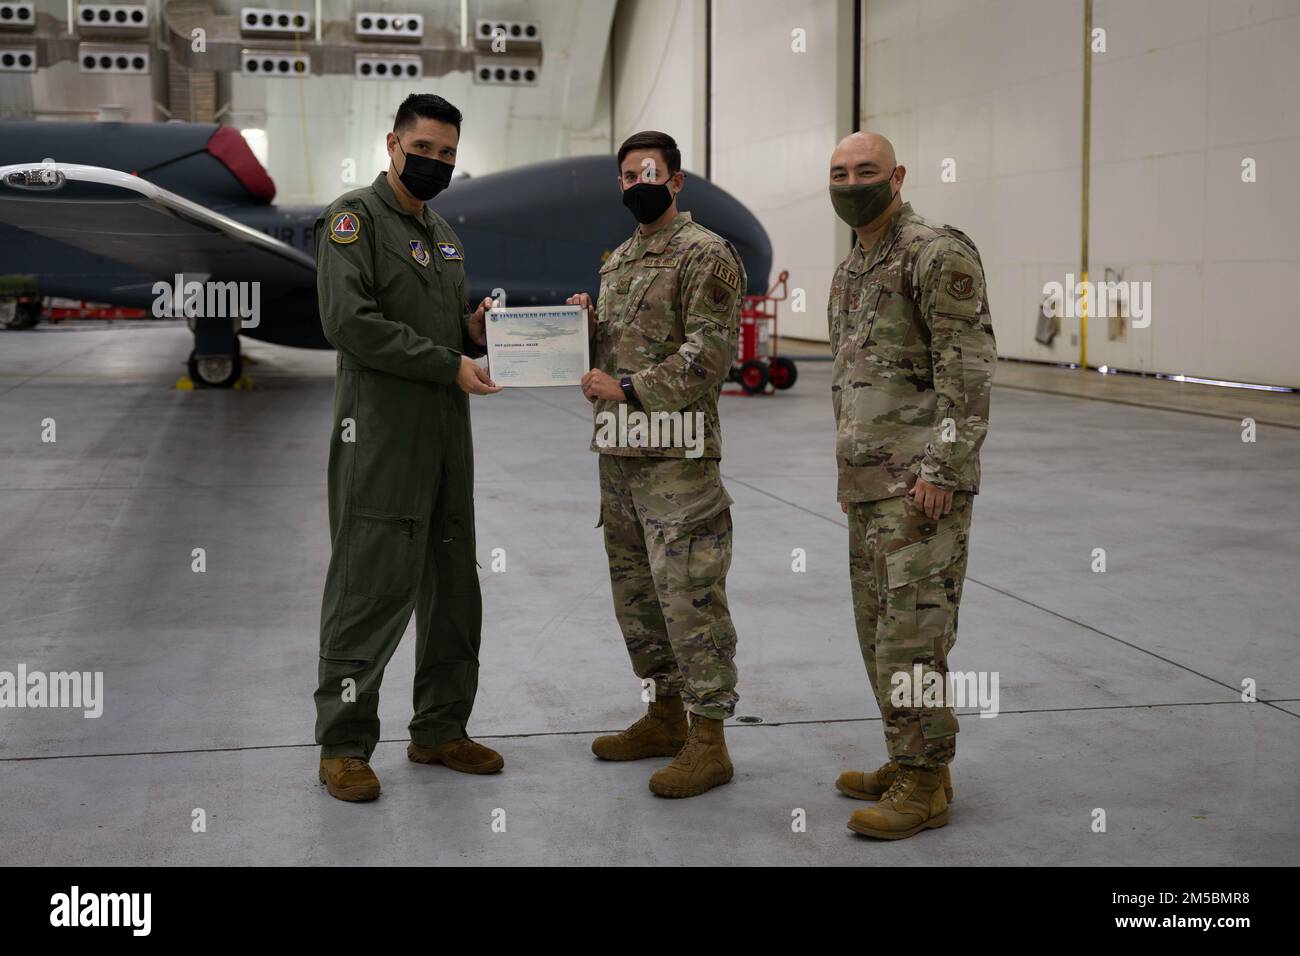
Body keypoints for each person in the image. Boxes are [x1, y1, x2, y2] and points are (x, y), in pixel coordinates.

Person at [313, 93, 504, 802]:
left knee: (455, 589)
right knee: (369, 588)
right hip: (383, 437)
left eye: (447, 154)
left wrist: (474, 335)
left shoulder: (445, 234)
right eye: (423, 149)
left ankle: (440, 729)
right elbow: (349, 321)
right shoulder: (352, 220)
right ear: (392, 144)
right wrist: (446, 361)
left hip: (448, 436)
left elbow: (442, 326)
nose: (435, 162)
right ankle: (343, 743)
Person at [826, 131, 996, 838]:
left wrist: (945, 470)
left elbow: (968, 367)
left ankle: (923, 785)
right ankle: (912, 756)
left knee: (913, 638)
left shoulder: (935, 250)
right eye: (838, 172)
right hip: (866, 487)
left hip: (919, 487)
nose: (851, 181)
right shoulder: (854, 266)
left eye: (865, 170)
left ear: (897, 177)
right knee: (878, 635)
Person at [566, 130, 745, 798]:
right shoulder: (618, 261)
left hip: (676, 459)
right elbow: (617, 352)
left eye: (650, 171)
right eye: (627, 174)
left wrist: (632, 390)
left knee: (690, 597)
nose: (637, 182)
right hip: (618, 458)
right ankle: (664, 714)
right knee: (637, 599)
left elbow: (709, 355)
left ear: (675, 180)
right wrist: (581, 328)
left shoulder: (705, 254)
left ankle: (710, 740)